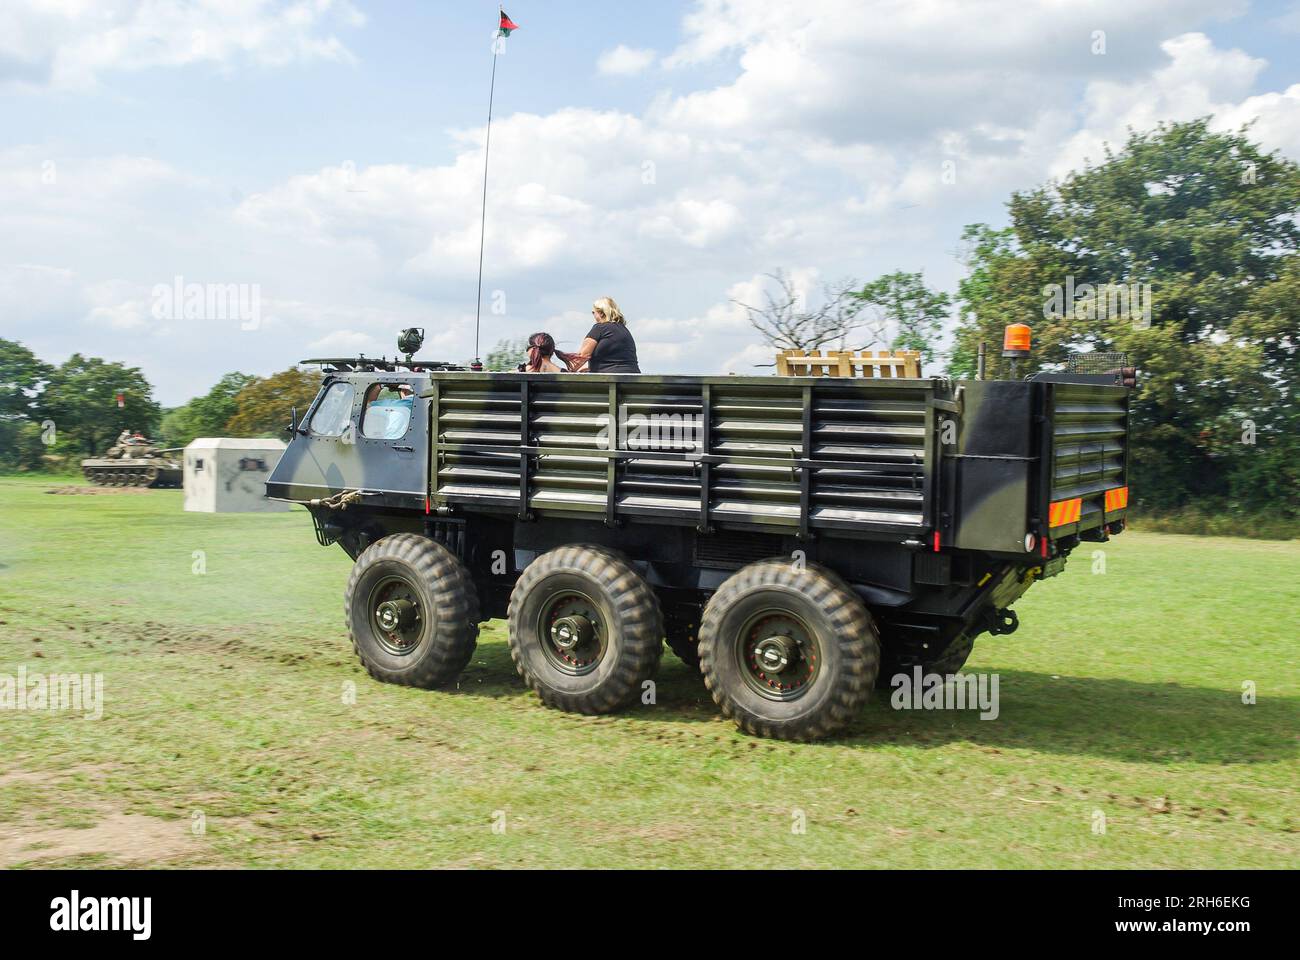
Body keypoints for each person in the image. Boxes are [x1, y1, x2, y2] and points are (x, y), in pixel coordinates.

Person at [568, 296, 640, 373]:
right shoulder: (624, 330)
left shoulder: (600, 328)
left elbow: (581, 357)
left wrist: (567, 371)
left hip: (609, 377)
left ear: (601, 313)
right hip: (633, 377)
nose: (593, 315)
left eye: (593, 312)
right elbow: (616, 360)